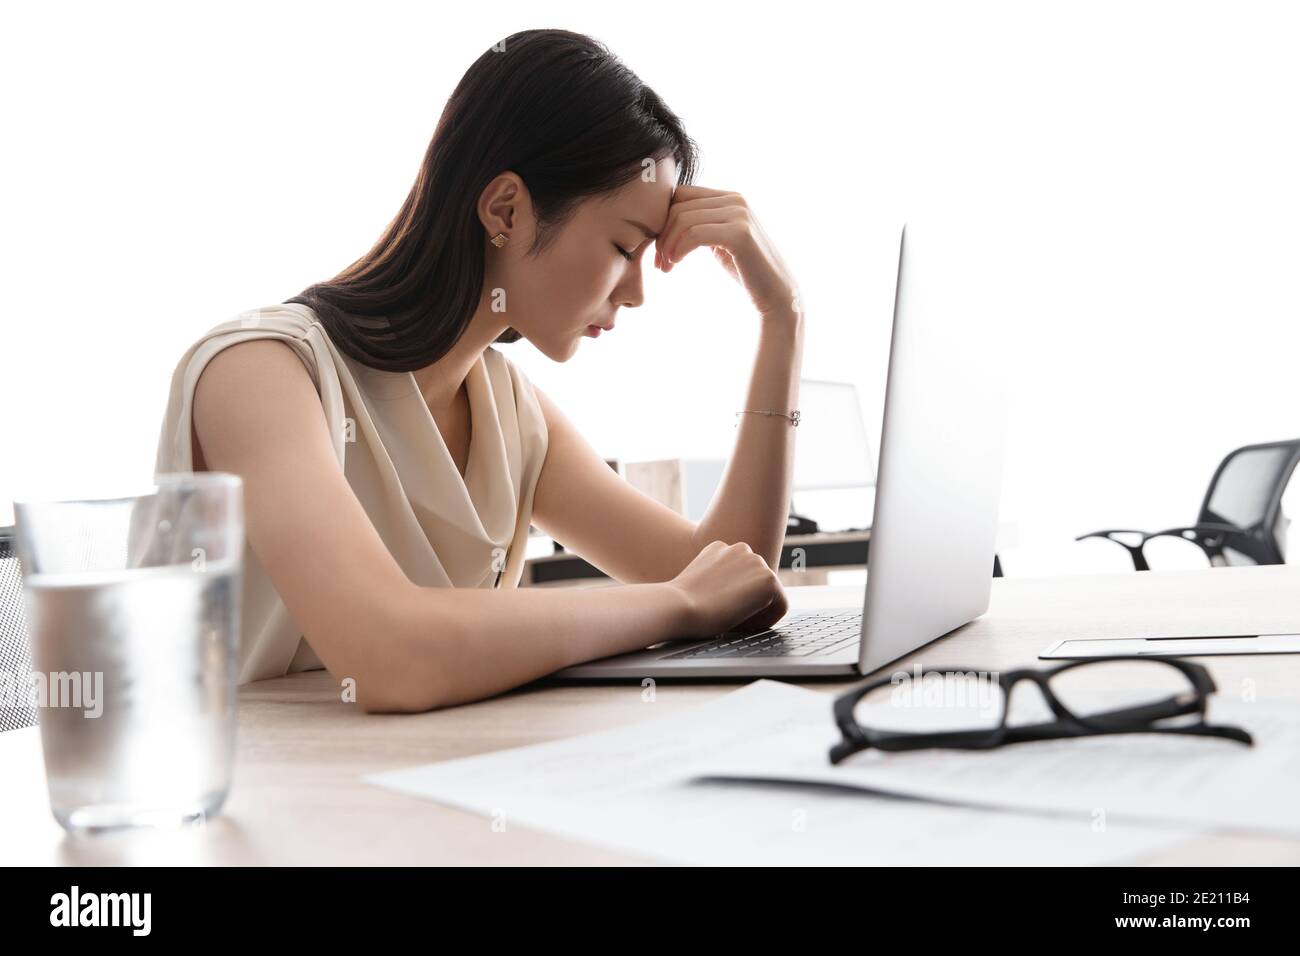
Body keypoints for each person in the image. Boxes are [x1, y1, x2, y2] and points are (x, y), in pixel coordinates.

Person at [156, 28, 805, 712]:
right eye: (623, 246)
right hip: (265, 806)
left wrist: (781, 320)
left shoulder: (510, 412)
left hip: (427, 788)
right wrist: (676, 605)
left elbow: (732, 578)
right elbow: (388, 655)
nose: (636, 292)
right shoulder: (259, 372)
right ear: (506, 210)